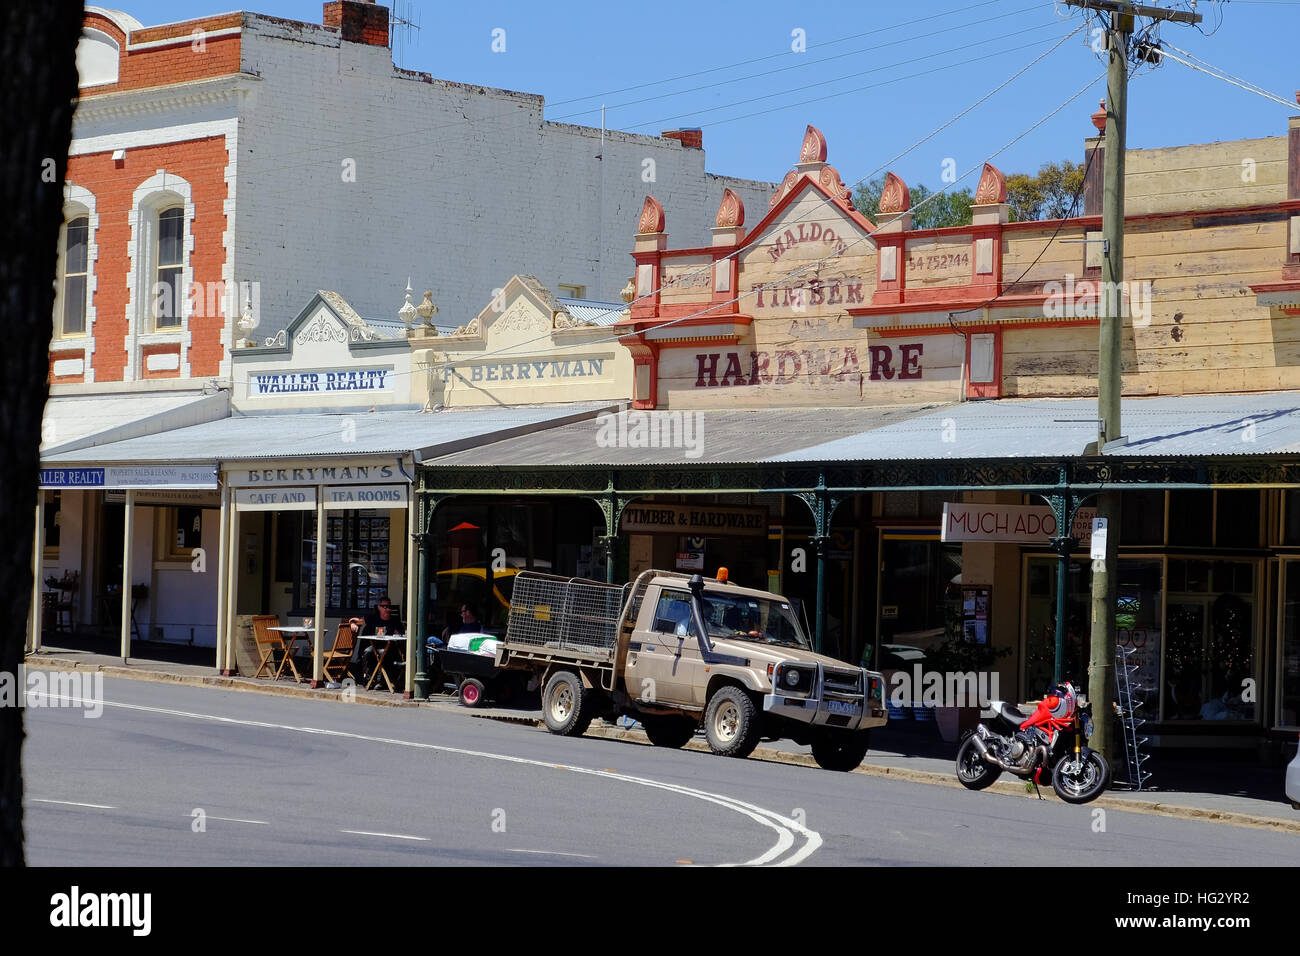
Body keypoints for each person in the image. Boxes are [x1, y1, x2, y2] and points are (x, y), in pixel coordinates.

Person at [350, 597, 404, 684]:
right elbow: (357, 621)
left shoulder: (395, 620)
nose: (387, 609)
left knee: (383, 652)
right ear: (379, 607)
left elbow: (401, 633)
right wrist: (352, 623)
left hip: (390, 647)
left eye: (389, 606)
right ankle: (369, 680)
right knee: (367, 651)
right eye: (384, 607)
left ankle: (381, 681)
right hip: (375, 645)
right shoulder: (373, 618)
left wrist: (398, 633)